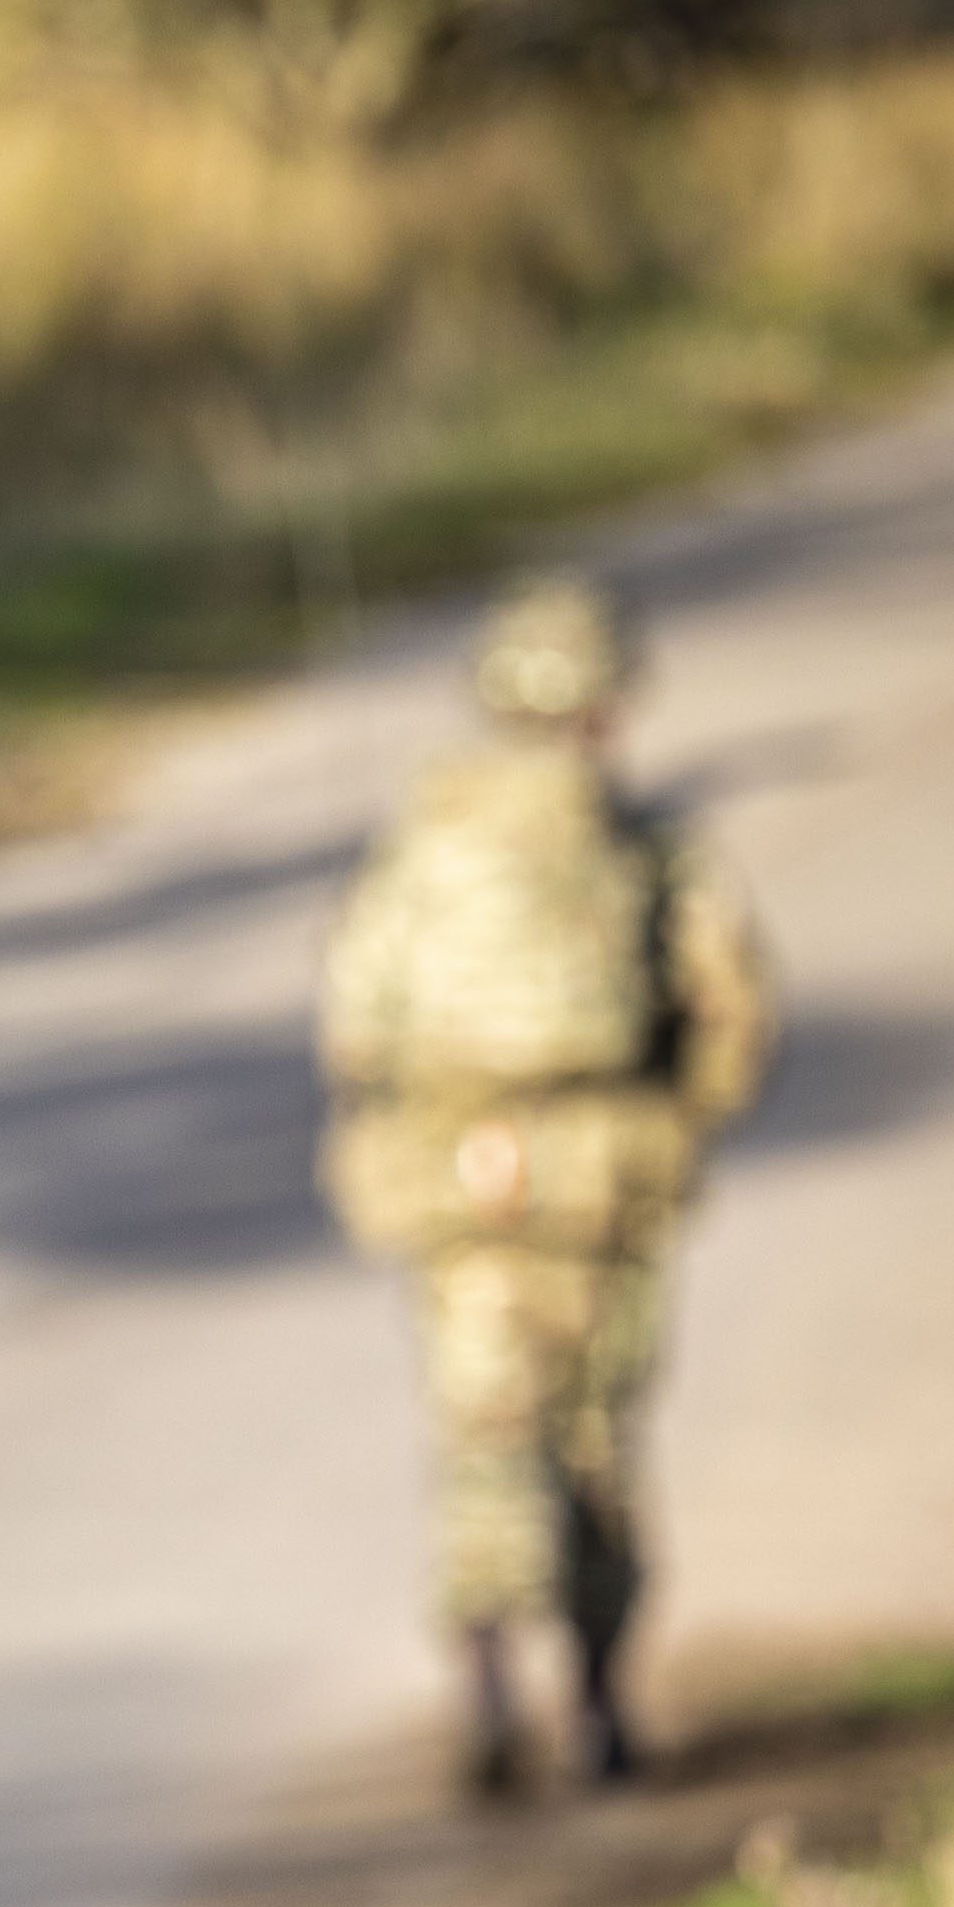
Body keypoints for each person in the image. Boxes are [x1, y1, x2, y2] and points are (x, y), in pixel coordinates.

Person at [317, 575, 773, 1801]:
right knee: (598, 1436)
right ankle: (599, 1702)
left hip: (459, 1188)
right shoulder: (649, 849)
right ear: (609, 709)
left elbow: (356, 1029)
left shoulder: (418, 847)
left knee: (480, 1430)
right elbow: (730, 1010)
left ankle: (483, 1674)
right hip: (606, 1184)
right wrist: (676, 1118)